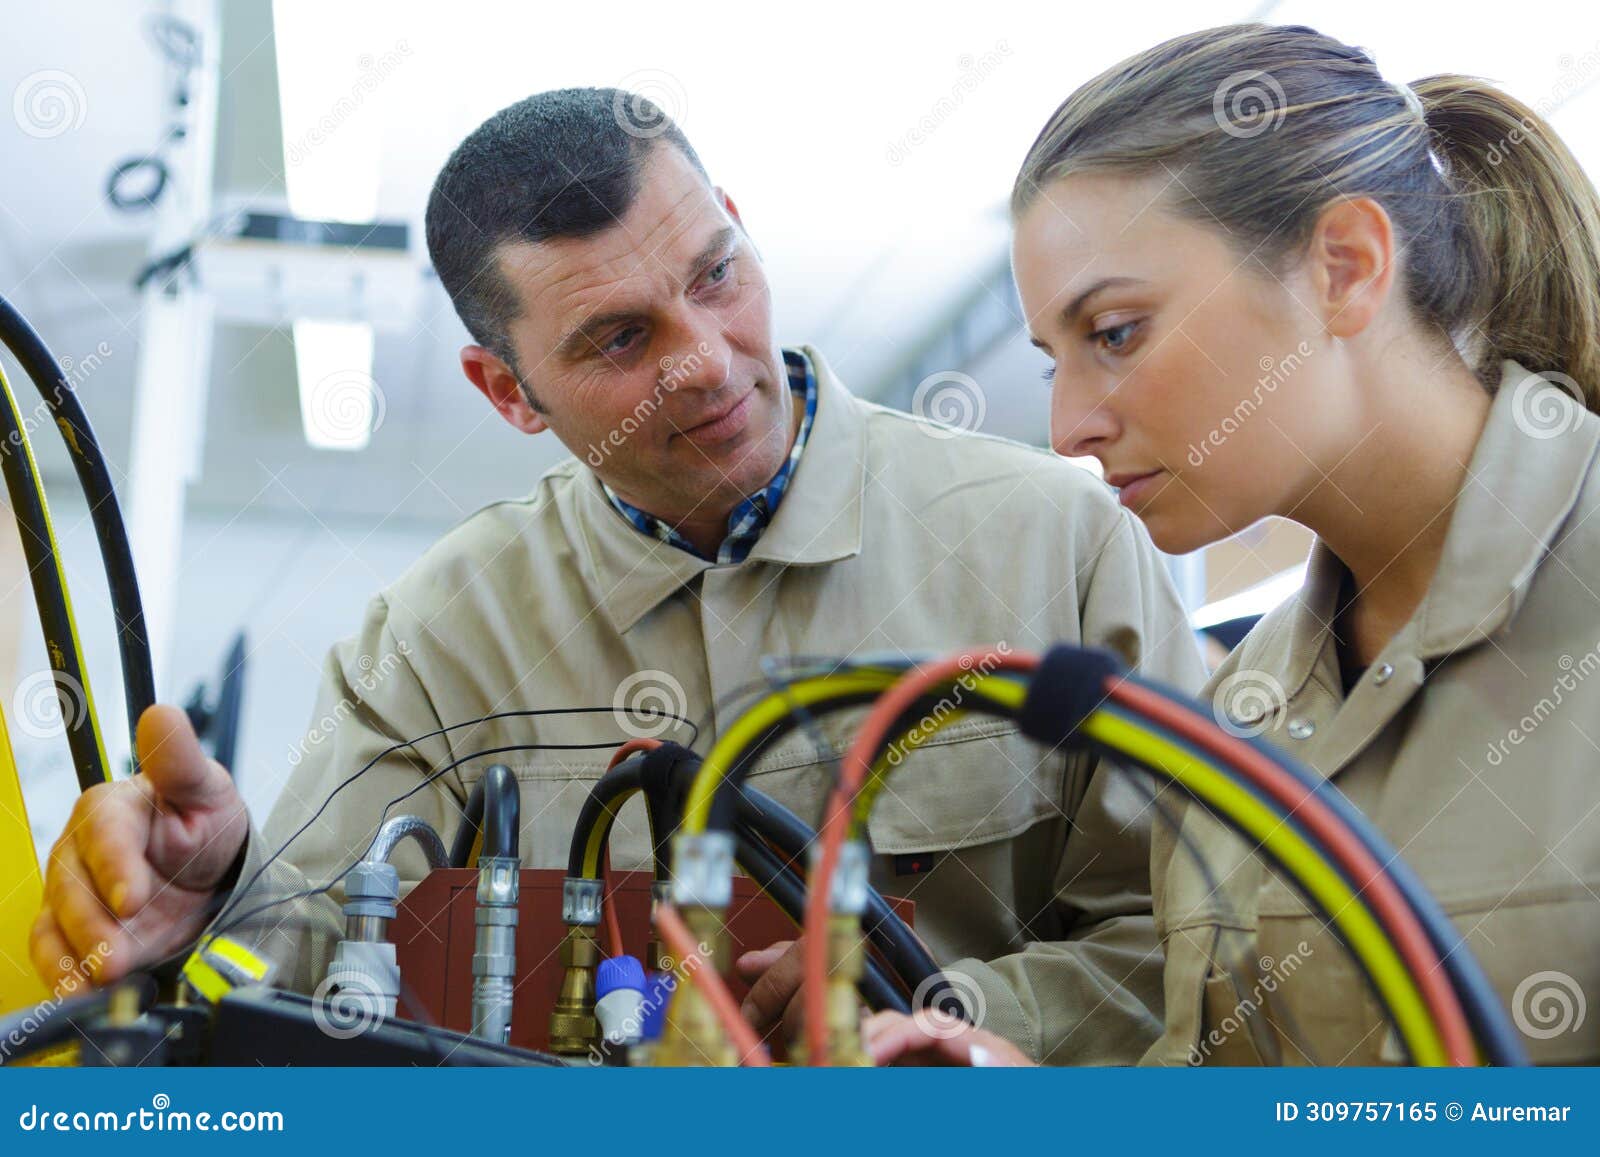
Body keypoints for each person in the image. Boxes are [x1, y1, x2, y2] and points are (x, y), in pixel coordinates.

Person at [30, 88, 1207, 1064]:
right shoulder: (444, 638)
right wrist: (215, 900)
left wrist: (955, 1013)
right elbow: (302, 949)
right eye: (619, 338)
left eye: (714, 274)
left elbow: (1196, 945)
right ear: (505, 390)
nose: (704, 360)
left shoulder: (1058, 542)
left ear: (738, 225)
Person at [870, 22, 1600, 1066]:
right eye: (1051, 362)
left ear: (1343, 268)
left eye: (1115, 332)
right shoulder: (1236, 718)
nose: (1067, 426)